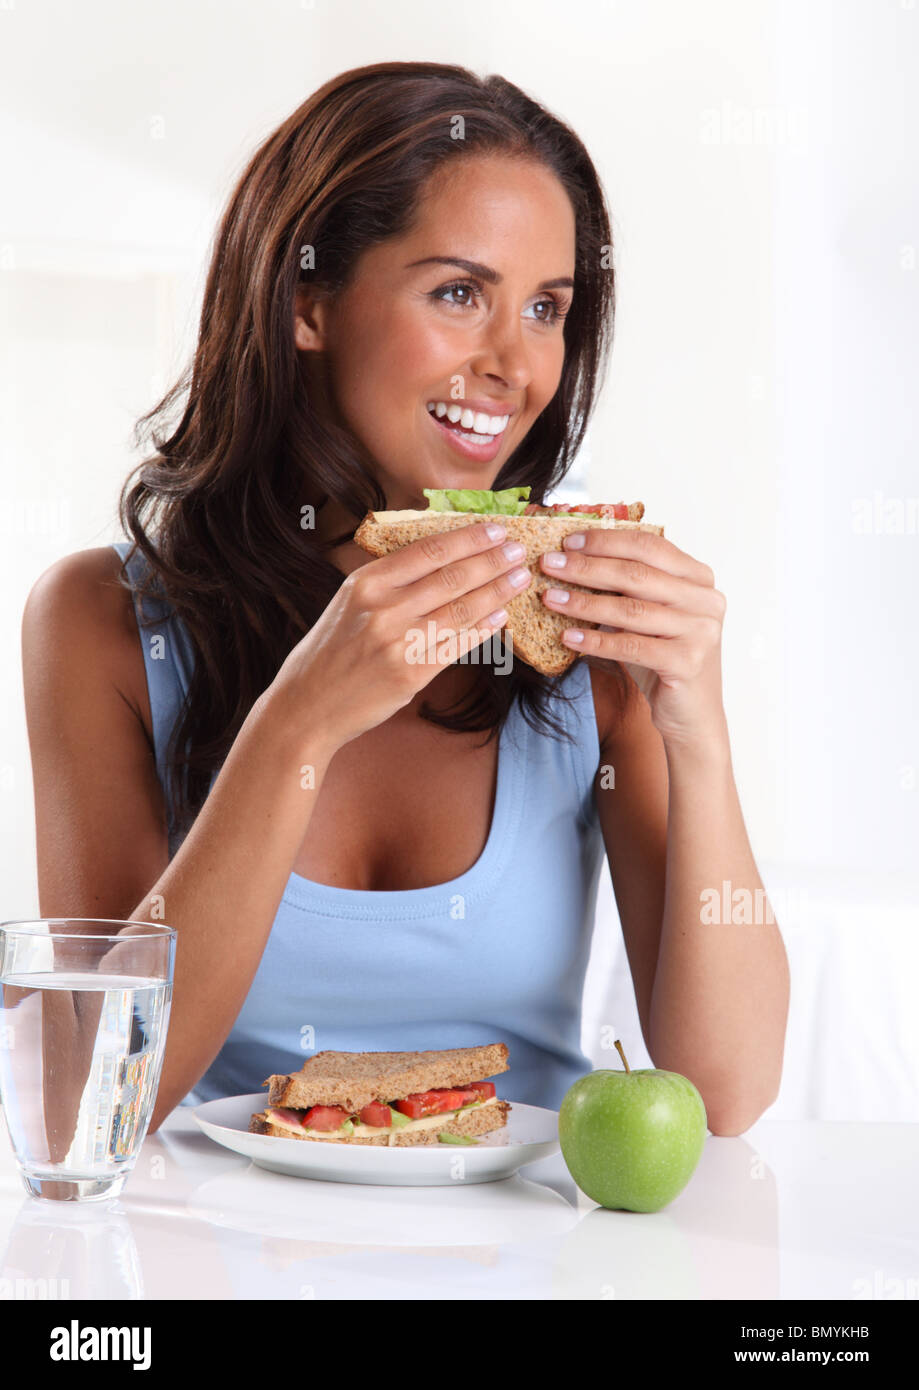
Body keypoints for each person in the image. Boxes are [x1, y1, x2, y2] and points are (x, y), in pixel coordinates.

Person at [21, 61, 789, 1134]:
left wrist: (695, 722)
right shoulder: (100, 620)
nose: (516, 364)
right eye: (459, 293)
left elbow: (731, 1088)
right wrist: (304, 716)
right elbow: (85, 1097)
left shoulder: (585, 628)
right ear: (306, 304)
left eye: (546, 308)